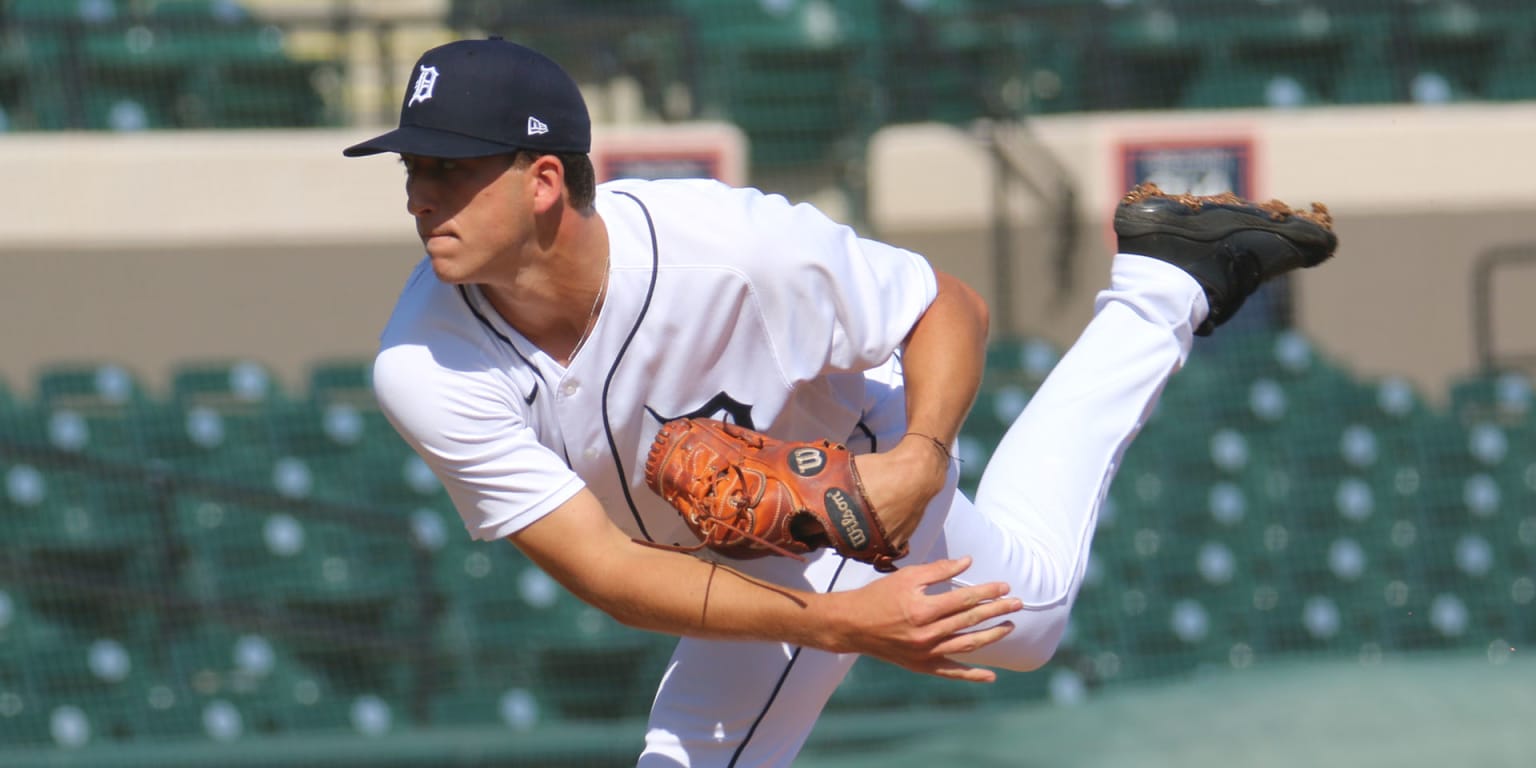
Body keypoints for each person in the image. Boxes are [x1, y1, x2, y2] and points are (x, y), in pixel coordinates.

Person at [343, 37, 1335, 767]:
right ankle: (1166, 280)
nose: (419, 195)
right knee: (1017, 625)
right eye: (413, 169)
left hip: (854, 488)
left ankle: (1158, 289)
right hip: (725, 544)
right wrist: (847, 629)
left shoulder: (732, 249)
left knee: (1021, 626)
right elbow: (601, 567)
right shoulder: (424, 363)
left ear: (545, 179)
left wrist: (922, 460)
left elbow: (948, 306)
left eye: (451, 169)